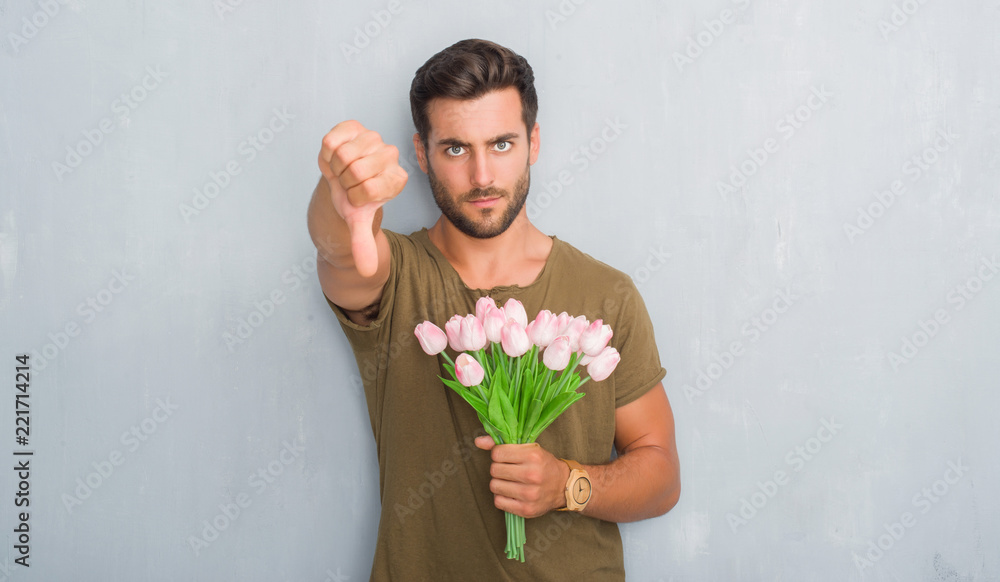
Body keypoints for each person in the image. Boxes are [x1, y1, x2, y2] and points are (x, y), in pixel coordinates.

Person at [307, 38, 680, 581]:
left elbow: (662, 476)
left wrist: (567, 485)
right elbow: (340, 253)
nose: (481, 176)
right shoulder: (398, 275)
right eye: (455, 149)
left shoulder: (606, 294)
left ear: (533, 142)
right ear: (421, 152)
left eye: (501, 144)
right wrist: (339, 197)